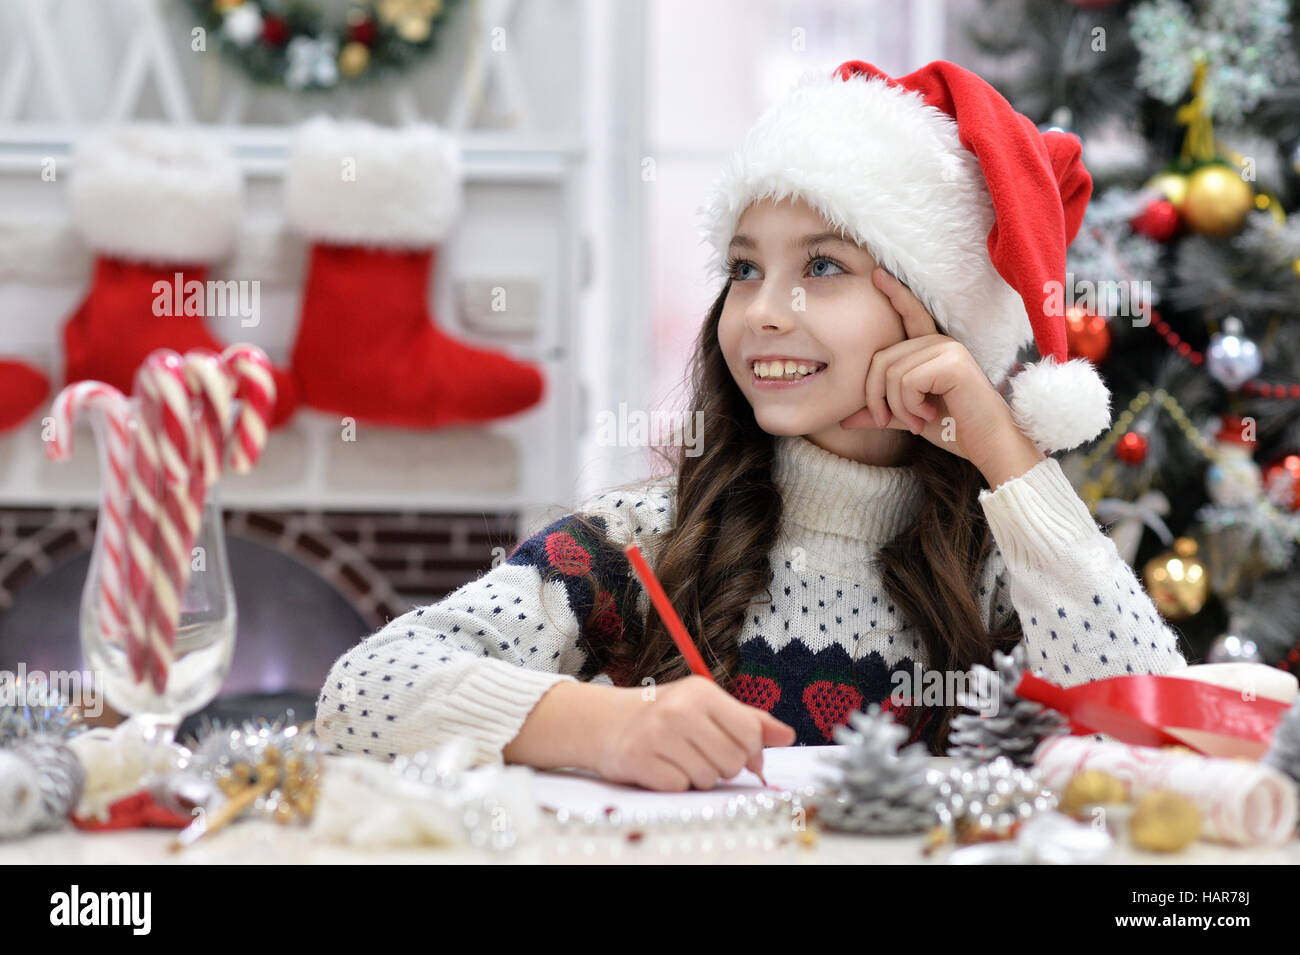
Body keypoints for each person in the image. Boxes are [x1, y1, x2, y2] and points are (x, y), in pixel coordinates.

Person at [315, 59, 1190, 792]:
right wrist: (604, 726)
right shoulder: (638, 542)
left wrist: (1007, 454)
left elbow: (1164, 741)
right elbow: (362, 690)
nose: (764, 310)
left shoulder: (1008, 571)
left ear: (934, 313)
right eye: (743, 268)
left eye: (822, 266)